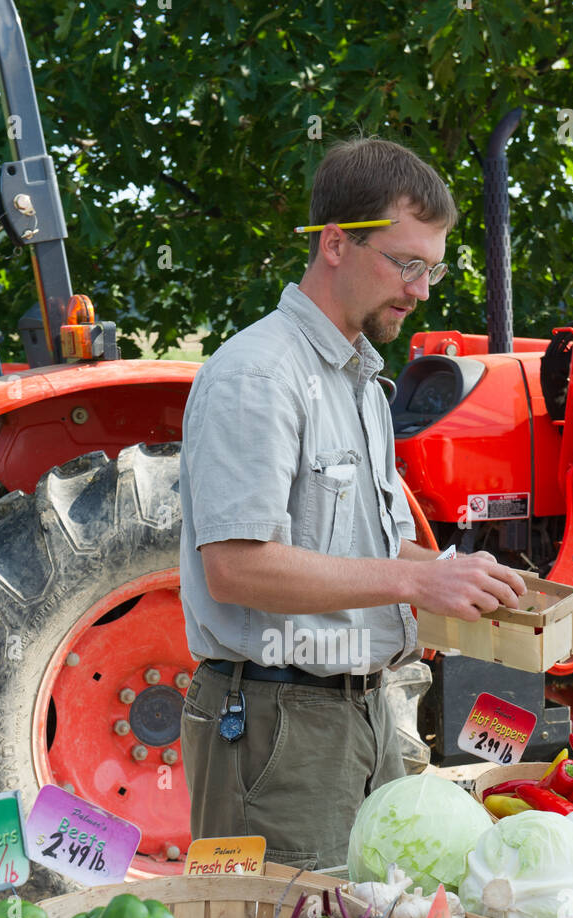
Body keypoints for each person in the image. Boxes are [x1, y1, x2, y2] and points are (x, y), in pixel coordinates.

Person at [178, 136, 525, 870]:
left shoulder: (363, 384)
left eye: (432, 268)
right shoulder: (258, 376)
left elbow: (378, 548)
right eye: (405, 264)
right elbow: (237, 570)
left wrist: (458, 578)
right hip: (274, 727)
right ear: (334, 243)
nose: (422, 289)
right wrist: (416, 581)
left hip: (368, 709)